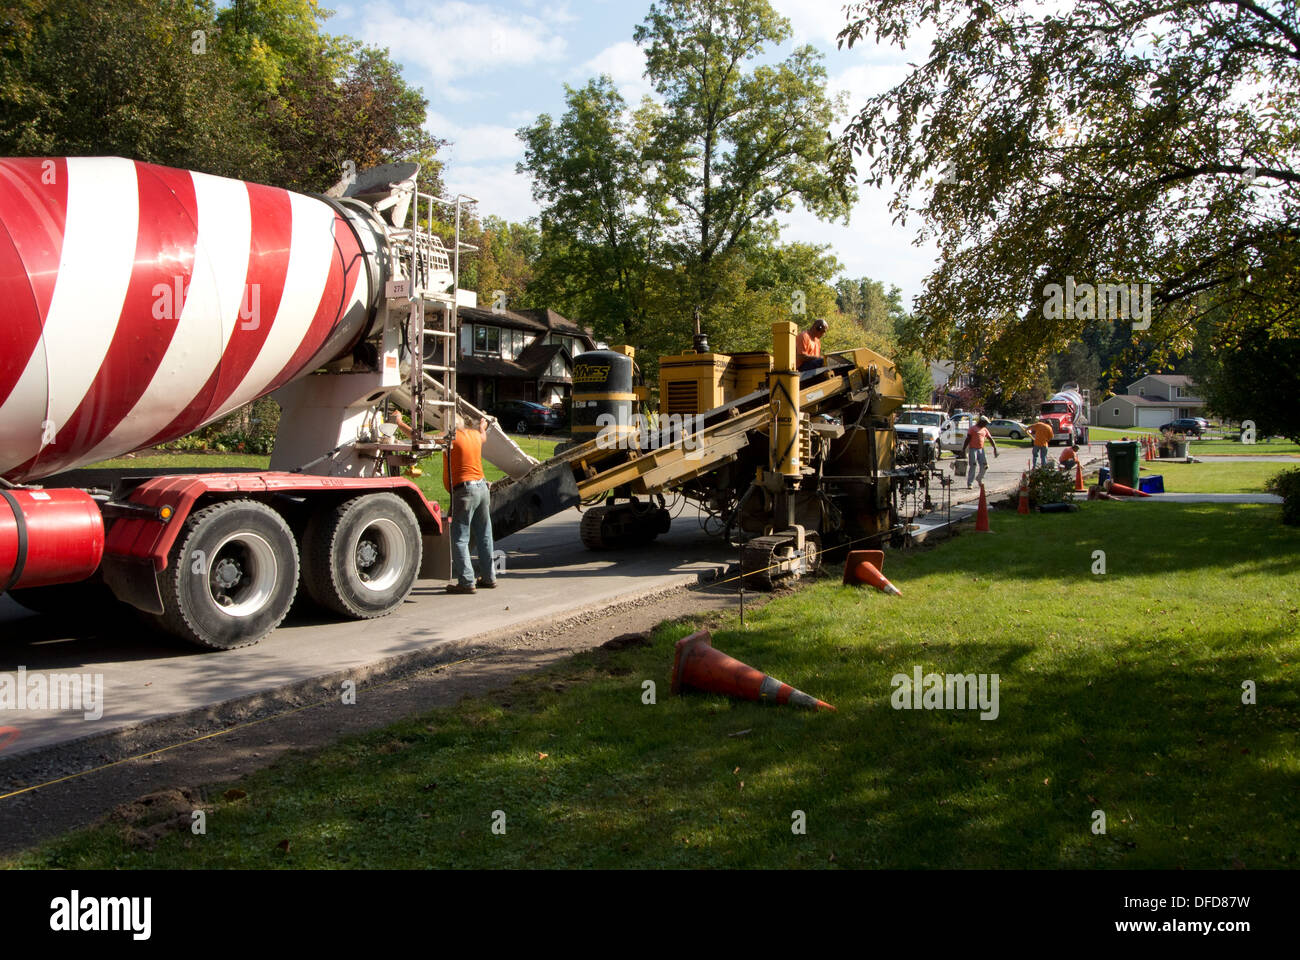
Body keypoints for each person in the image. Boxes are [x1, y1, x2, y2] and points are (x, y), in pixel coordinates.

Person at [443, 413, 496, 594]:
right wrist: (482, 426)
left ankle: (466, 582)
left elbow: (416, 437)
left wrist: (400, 423)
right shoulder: (473, 435)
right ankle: (489, 578)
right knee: (484, 534)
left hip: (465, 491)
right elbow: (483, 436)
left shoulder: (451, 439)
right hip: (482, 488)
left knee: (459, 538)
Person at [961, 416, 998, 489]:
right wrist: (963, 449)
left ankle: (979, 478)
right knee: (973, 466)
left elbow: (990, 438)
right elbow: (968, 438)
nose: (986, 424)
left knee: (985, 466)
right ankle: (970, 483)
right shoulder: (972, 428)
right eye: (985, 423)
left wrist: (995, 447)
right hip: (973, 449)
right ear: (981, 421)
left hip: (981, 449)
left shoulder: (985, 430)